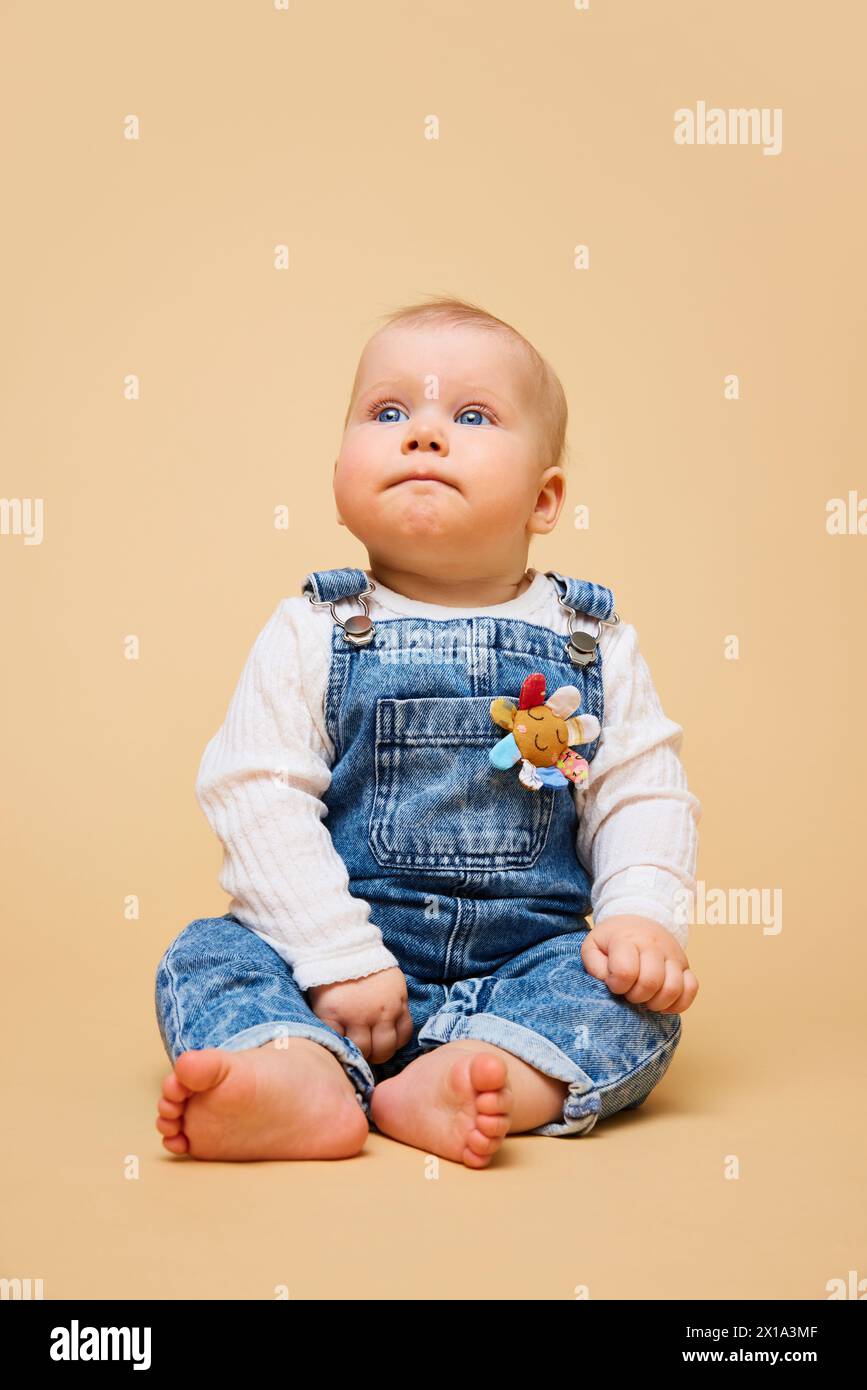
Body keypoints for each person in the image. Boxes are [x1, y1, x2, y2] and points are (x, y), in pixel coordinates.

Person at [154, 295, 702, 1167]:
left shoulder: (592, 644)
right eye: (389, 412)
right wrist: (335, 956)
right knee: (206, 954)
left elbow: (642, 790)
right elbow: (254, 794)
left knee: (630, 1002)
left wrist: (641, 917)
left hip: (528, 966)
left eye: (472, 415)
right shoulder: (314, 629)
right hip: (329, 963)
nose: (423, 435)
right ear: (338, 473)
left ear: (544, 497)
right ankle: (300, 1073)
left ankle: (485, 1074)